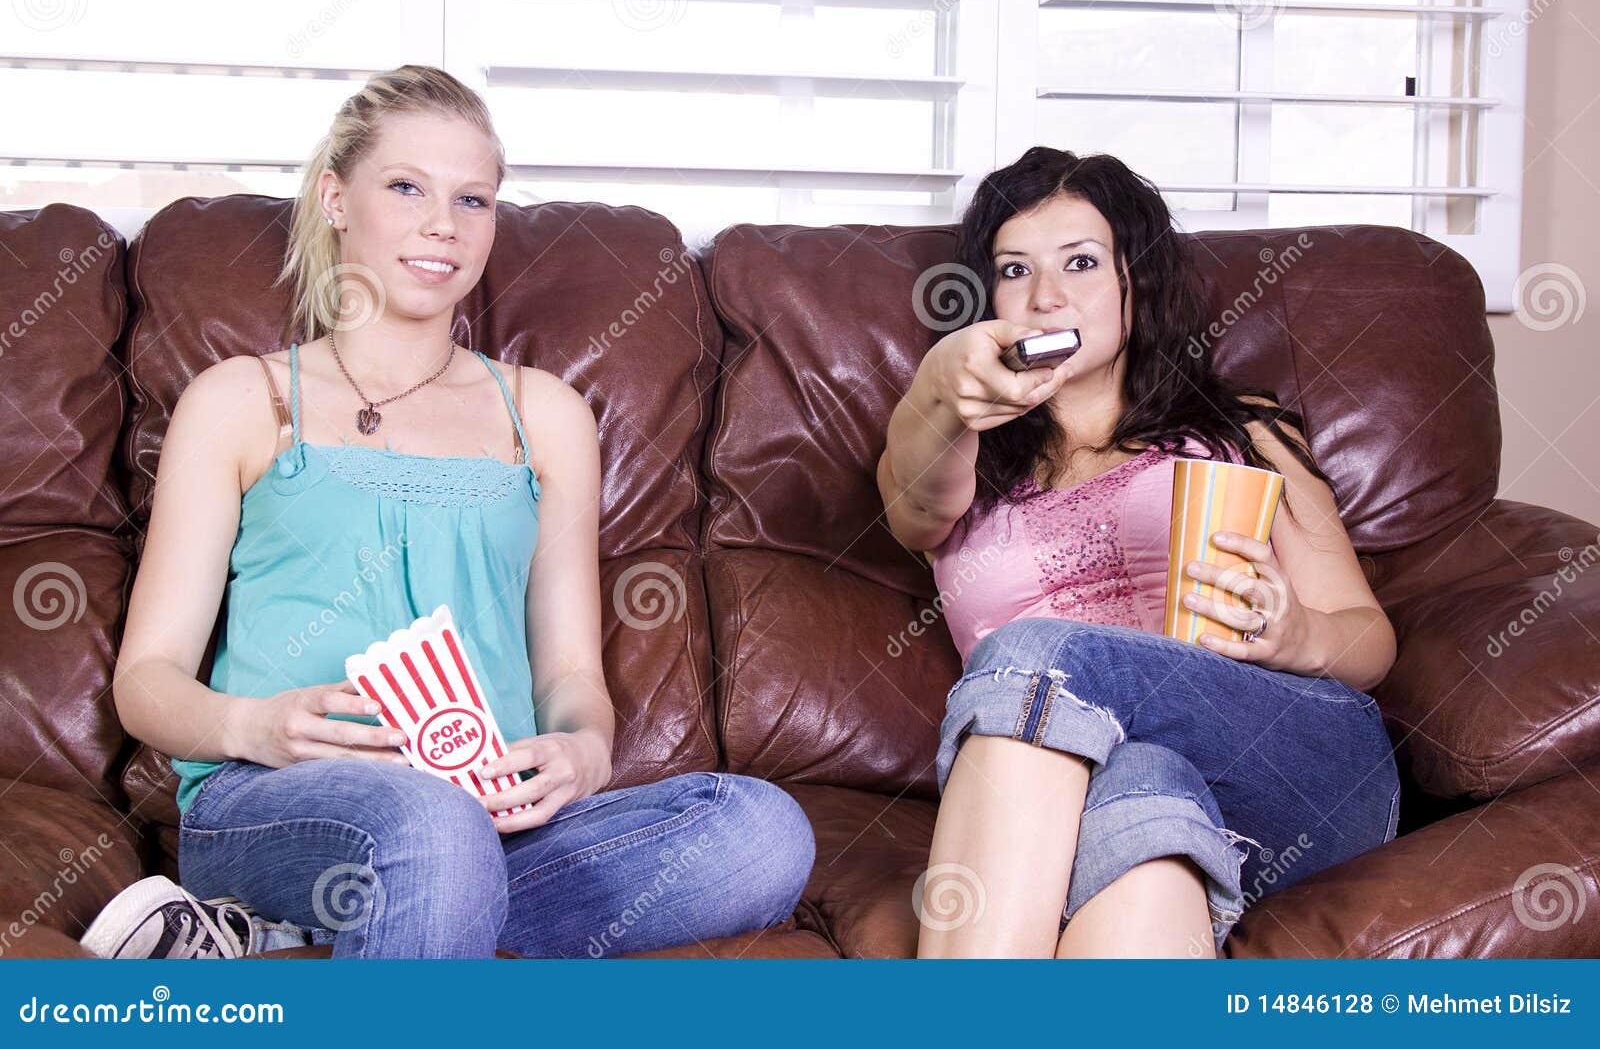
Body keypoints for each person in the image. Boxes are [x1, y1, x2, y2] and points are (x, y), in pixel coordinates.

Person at [88, 65, 814, 960]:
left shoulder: (544, 414)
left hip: (489, 806)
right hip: (272, 797)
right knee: (427, 830)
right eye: (406, 187)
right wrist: (255, 726)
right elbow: (146, 680)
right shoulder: (244, 400)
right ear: (335, 198)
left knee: (758, 828)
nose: (444, 224)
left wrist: (585, 748)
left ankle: (332, 935)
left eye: (474, 199)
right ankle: (391, 910)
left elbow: (570, 672)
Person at [878, 146, 1400, 959]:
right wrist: (943, 389)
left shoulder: (1240, 432)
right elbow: (914, 502)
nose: (1046, 295)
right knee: (1144, 821)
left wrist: (1301, 635)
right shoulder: (960, 457)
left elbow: (1369, 642)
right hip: (1077, 800)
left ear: (1135, 284)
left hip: (1293, 766)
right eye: (1015, 270)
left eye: (1081, 262)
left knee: (1033, 655)